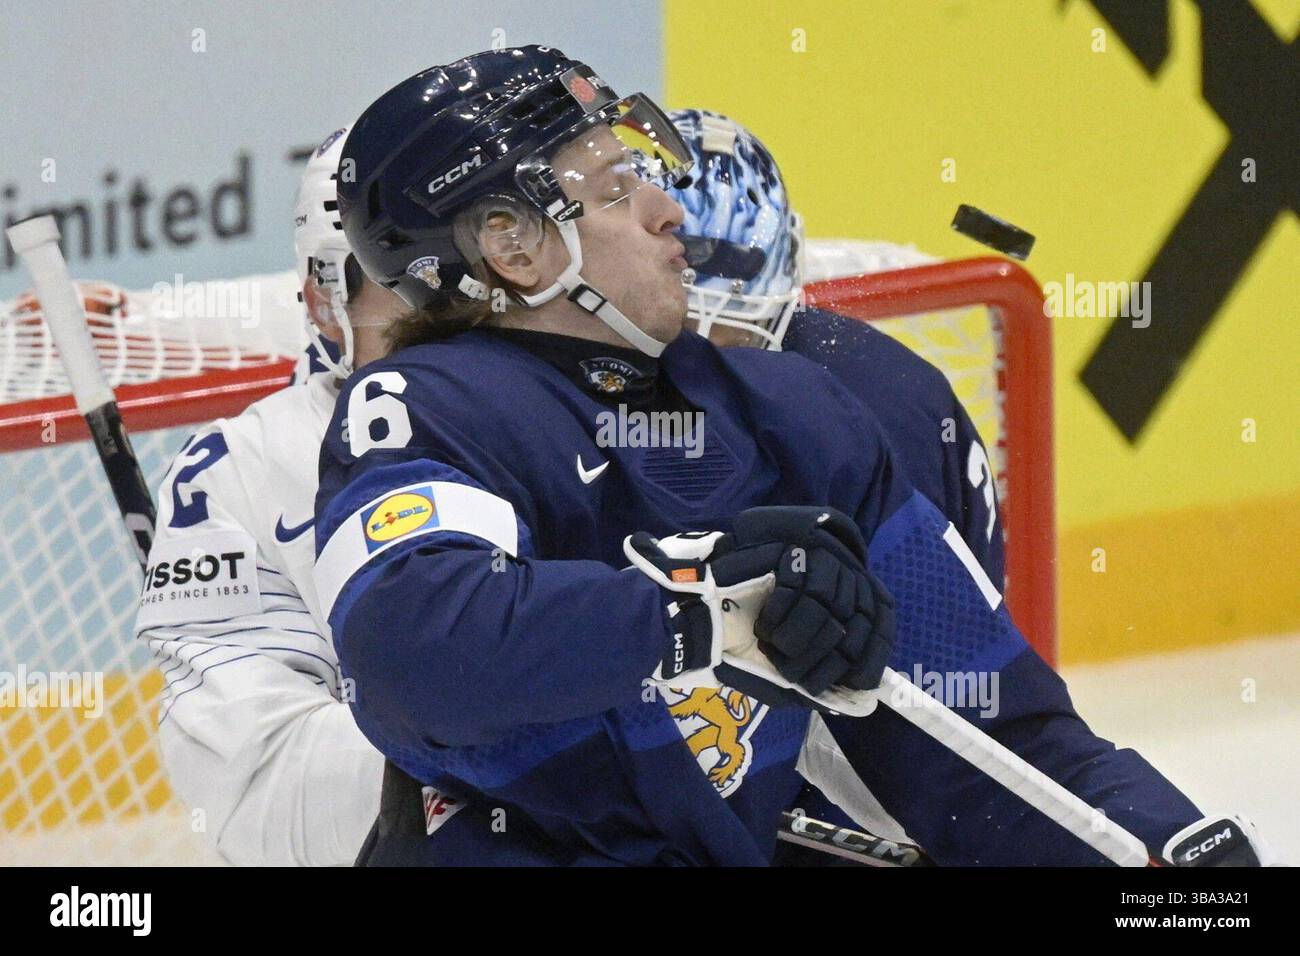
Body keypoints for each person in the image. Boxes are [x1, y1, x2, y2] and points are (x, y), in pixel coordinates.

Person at [314, 47, 1266, 866]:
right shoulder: (428, 406)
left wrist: (1158, 847)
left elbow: (989, 739)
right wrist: (699, 607)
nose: (666, 209)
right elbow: (411, 641)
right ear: (512, 247)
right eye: (613, 191)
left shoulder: (792, 412)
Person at [134, 128, 403, 866]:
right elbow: (253, 784)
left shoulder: (593, 412)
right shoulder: (238, 471)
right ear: (322, 301)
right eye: (404, 274)